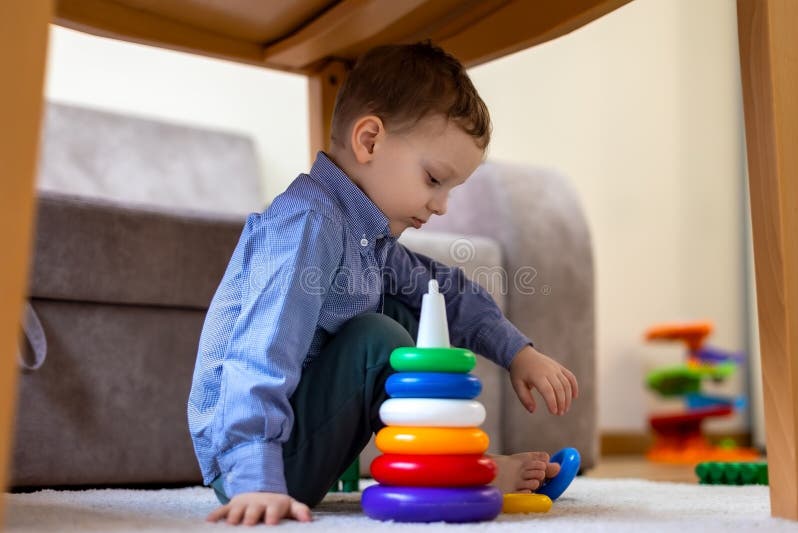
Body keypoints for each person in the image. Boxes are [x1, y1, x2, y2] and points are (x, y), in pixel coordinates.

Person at [188, 41, 579, 527]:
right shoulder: (308, 224)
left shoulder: (366, 234)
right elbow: (258, 353)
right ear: (369, 140)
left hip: (294, 442)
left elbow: (445, 292)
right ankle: (456, 474)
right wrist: (257, 481)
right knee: (381, 335)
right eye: (435, 179)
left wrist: (518, 352)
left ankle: (453, 464)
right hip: (256, 463)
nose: (442, 206)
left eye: (450, 190)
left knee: (414, 311)